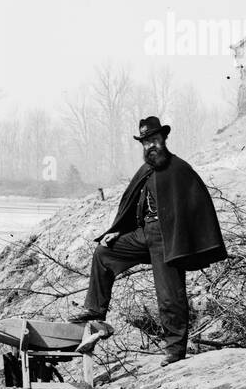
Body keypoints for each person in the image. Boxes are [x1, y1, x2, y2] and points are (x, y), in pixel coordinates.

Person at [71, 116, 227, 366]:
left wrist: (186, 240)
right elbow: (134, 208)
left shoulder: (180, 169)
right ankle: (96, 310)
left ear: (164, 139)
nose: (150, 146)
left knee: (169, 297)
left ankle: (175, 351)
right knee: (104, 253)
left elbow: (198, 208)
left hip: (169, 239)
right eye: (145, 143)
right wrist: (118, 232)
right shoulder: (145, 171)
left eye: (154, 140)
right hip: (145, 235)